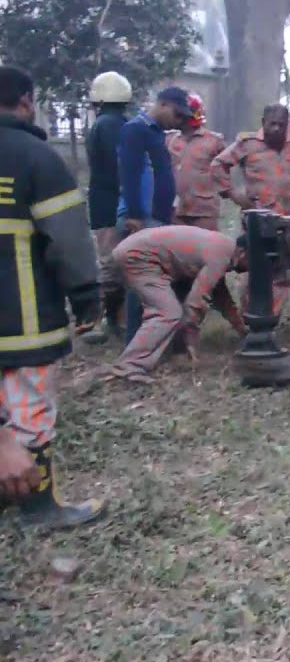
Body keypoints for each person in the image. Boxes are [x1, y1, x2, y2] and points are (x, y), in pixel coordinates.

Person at [0, 66, 106, 528]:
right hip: (25, 319)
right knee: (28, 409)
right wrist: (86, 296)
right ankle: (38, 508)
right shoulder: (37, 158)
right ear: (25, 100)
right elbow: (68, 240)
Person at [211, 104, 290, 316]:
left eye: (281, 125)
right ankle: (251, 317)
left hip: (285, 219)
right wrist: (234, 194)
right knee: (253, 268)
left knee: (281, 270)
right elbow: (218, 165)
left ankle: (271, 318)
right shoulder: (247, 144)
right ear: (263, 123)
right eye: (272, 124)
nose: (276, 129)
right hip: (256, 218)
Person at [107, 225, 246, 382]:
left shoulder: (224, 248)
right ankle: (128, 366)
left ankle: (140, 360)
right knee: (167, 313)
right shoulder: (221, 255)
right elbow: (195, 302)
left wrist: (242, 329)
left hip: (138, 251)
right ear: (242, 253)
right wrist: (191, 340)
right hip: (139, 256)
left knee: (168, 311)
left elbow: (221, 296)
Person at [115, 86, 192, 346]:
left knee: (154, 282)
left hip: (157, 218)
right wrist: (135, 215)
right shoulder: (135, 130)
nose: (179, 122)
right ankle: (134, 344)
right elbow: (130, 174)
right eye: (177, 114)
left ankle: (153, 342)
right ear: (162, 104)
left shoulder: (157, 134)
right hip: (142, 218)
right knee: (140, 285)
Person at [83, 71, 133, 342]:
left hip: (104, 204)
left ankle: (109, 320)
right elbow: (122, 168)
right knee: (115, 265)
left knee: (112, 262)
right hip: (115, 204)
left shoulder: (103, 124)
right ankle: (102, 321)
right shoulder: (117, 125)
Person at [168, 93, 227, 232]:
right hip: (176, 210)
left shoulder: (214, 141)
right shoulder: (170, 140)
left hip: (204, 211)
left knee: (206, 249)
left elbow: (225, 170)